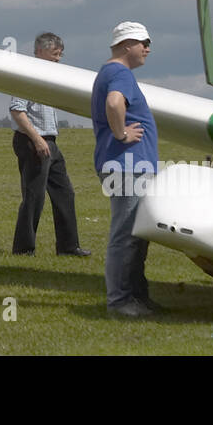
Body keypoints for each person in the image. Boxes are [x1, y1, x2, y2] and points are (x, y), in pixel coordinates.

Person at [91, 21, 159, 316]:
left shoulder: (112, 72)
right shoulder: (119, 73)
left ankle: (137, 297)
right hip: (127, 166)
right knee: (126, 234)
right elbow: (114, 102)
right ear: (126, 45)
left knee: (136, 234)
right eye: (144, 43)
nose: (148, 49)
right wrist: (121, 134)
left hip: (129, 166)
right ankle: (120, 302)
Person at [8, 33, 89, 257]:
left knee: (65, 192)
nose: (58, 59)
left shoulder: (49, 78)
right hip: (33, 142)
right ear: (40, 51)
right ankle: (23, 249)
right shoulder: (27, 75)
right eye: (55, 54)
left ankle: (68, 247)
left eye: (60, 54)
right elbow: (17, 110)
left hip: (50, 142)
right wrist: (36, 139)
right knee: (34, 196)